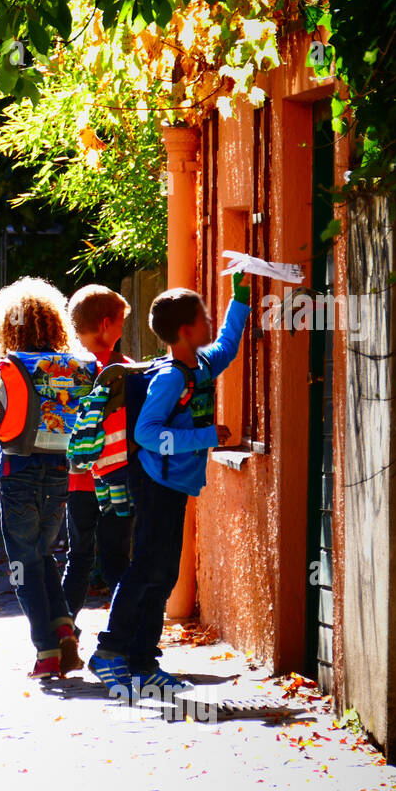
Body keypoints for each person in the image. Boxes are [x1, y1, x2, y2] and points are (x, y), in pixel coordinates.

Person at [88, 273, 251, 694]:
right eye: (204, 316)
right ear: (185, 330)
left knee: (161, 574)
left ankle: (143, 662)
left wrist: (241, 300)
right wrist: (207, 437)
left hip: (174, 485)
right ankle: (110, 651)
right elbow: (146, 434)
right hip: (156, 485)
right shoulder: (172, 378)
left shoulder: (199, 366)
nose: (210, 320)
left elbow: (228, 346)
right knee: (147, 568)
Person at [0, 278, 93, 679]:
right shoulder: (74, 366)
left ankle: (46, 652)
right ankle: (63, 625)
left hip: (18, 470)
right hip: (61, 470)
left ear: (7, 326)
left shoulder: (7, 367)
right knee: (44, 554)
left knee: (22, 564)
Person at [62, 285, 135, 619]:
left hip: (78, 482)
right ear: (106, 324)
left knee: (78, 560)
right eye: (120, 323)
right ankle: (123, 635)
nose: (121, 331)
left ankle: (59, 636)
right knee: (117, 561)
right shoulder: (126, 370)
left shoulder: (62, 370)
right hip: (118, 482)